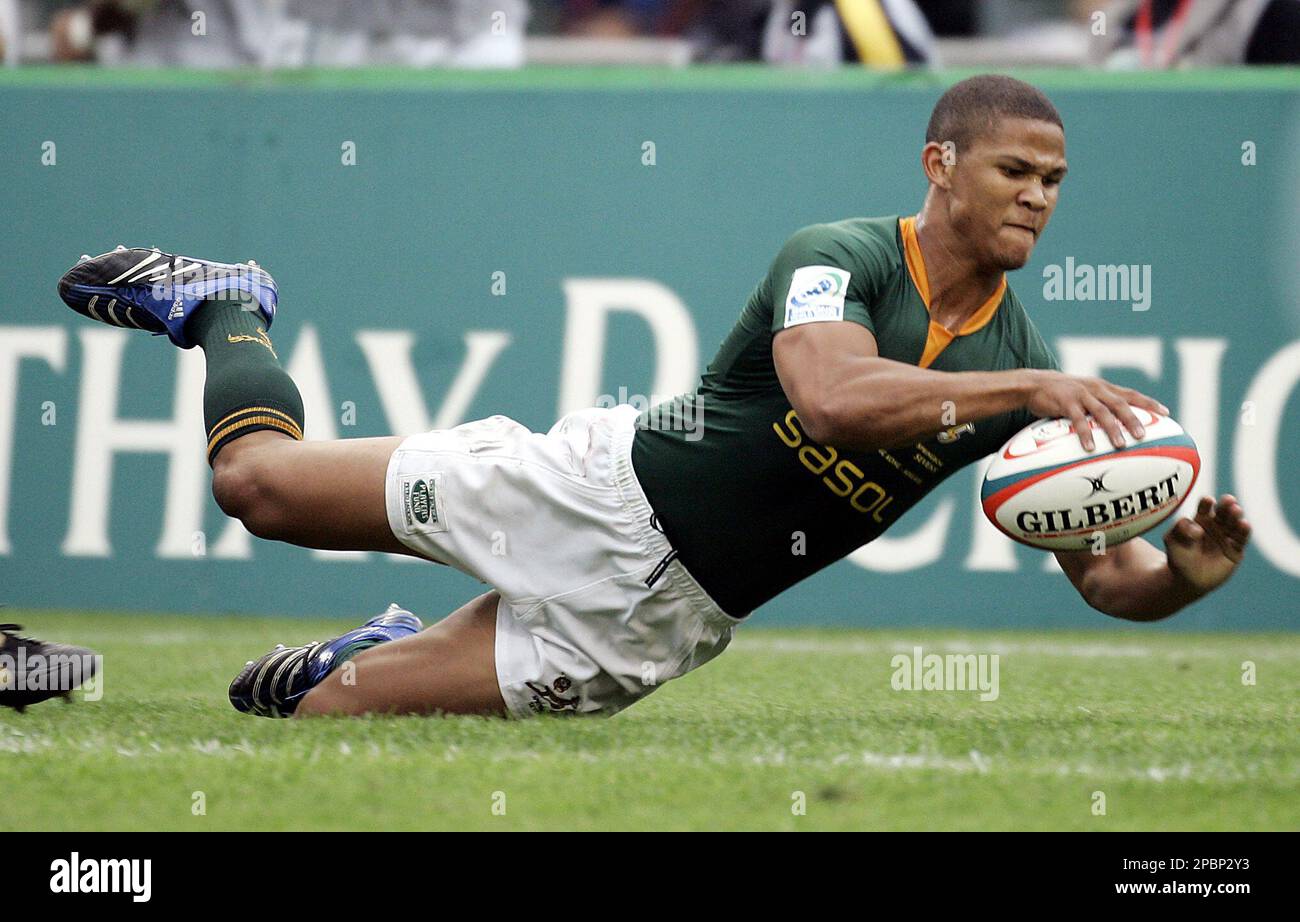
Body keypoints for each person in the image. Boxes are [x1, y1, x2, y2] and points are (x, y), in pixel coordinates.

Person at [55, 74, 1251, 720]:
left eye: (1053, 180)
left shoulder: (1022, 365)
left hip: (663, 626)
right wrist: (1030, 386)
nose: (1038, 197)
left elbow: (1104, 575)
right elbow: (829, 399)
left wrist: (1183, 574)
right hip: (596, 492)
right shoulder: (841, 254)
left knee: (321, 717)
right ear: (940, 166)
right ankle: (223, 302)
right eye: (1014, 170)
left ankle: (372, 648)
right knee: (254, 485)